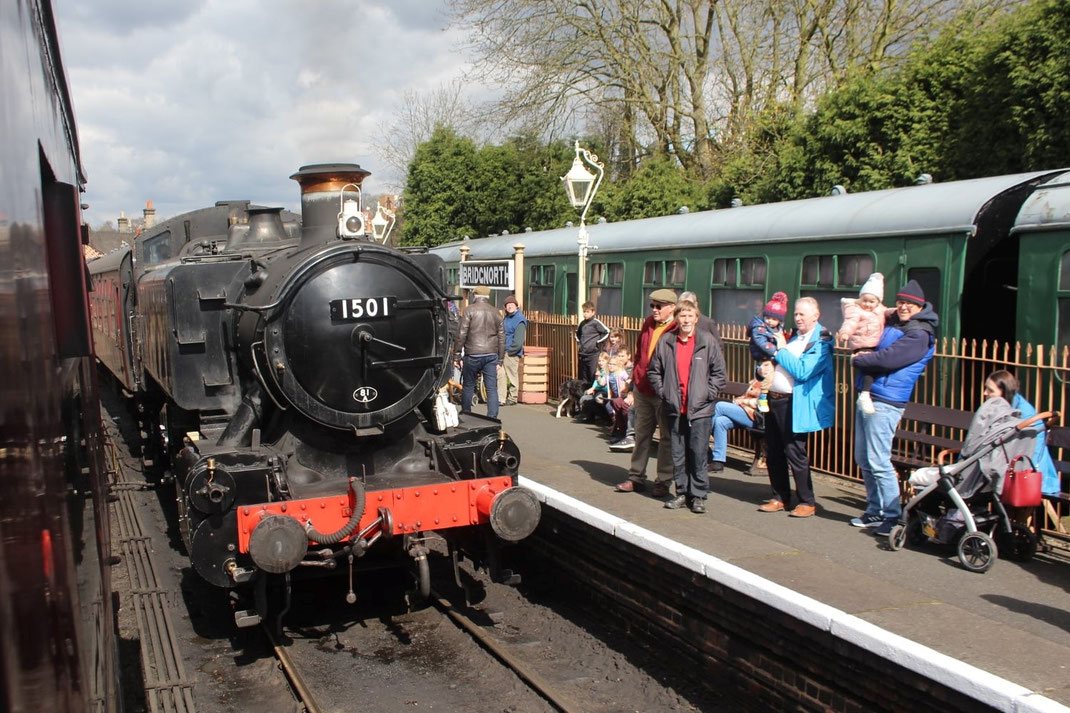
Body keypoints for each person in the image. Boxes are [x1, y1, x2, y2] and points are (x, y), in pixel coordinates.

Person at [850, 279, 939, 535]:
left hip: (887, 400)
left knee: (878, 460)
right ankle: (874, 510)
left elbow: (889, 359)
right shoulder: (896, 323)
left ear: (919, 306)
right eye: (900, 302)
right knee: (863, 457)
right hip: (871, 394)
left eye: (909, 304)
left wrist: (861, 360)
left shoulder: (920, 334)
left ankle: (892, 516)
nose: (903, 307)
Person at [756, 297, 835, 518]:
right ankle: (780, 496)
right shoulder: (794, 337)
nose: (798, 318)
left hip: (794, 403)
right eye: (796, 314)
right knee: (773, 451)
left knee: (794, 451)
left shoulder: (822, 341)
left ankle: (807, 501)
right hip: (774, 399)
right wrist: (761, 371)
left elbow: (803, 371)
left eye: (802, 314)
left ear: (815, 316)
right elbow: (776, 363)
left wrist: (780, 350)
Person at [648, 299, 727, 513]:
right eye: (682, 316)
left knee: (698, 453)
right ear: (677, 318)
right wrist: (664, 393)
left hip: (700, 409)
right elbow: (654, 371)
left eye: (690, 316)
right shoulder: (666, 341)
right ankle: (682, 492)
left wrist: (708, 394)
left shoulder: (707, 341)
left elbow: (719, 374)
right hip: (675, 408)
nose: (686, 320)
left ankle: (698, 495)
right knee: (678, 453)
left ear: (696, 318)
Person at [615, 289, 678, 496]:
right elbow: (639, 354)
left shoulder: (677, 328)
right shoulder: (649, 323)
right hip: (643, 389)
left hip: (664, 391)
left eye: (659, 306)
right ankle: (636, 477)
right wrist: (635, 381)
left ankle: (663, 481)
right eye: (652, 305)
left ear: (672, 307)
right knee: (641, 434)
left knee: (666, 438)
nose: (654, 310)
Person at [983, 370, 1059, 496]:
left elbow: (1030, 452)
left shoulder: (1024, 414)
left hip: (1029, 473)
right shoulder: (1000, 406)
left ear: (1005, 391)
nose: (985, 393)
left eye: (990, 390)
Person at [838, 273, 887, 415]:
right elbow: (850, 322)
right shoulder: (856, 311)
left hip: (875, 345)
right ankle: (865, 395)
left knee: (873, 369)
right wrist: (845, 333)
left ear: (878, 302)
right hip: (862, 345)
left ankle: (866, 393)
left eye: (872, 302)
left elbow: (889, 312)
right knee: (870, 368)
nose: (867, 304)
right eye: (865, 301)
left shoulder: (880, 311)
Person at [455, 286, 505, 419]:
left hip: (472, 354)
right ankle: (492, 417)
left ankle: (466, 414)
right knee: (491, 388)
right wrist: (500, 360)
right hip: (491, 355)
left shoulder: (469, 310)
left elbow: (461, 334)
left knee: (468, 386)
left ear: (475, 295)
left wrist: (457, 356)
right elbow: (502, 338)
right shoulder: (496, 312)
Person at [708, 378, 761, 473]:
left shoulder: (771, 382)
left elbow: (761, 403)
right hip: (745, 412)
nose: (762, 370)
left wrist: (742, 402)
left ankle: (701, 444)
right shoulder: (758, 380)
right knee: (720, 421)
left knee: (719, 406)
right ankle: (718, 462)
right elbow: (747, 396)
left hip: (757, 417)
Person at [748, 292, 788, 413]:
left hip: (771, 357)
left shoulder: (777, 329)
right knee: (768, 374)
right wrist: (775, 351)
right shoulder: (759, 328)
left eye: (774, 319)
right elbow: (761, 342)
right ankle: (763, 396)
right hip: (764, 356)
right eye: (768, 318)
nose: (770, 321)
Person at [498, 294, 526, 406]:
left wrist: (511, 351)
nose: (509, 306)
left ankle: (513, 397)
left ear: (516, 306)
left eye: (512, 304)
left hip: (511, 353)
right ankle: (501, 398)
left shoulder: (519, 319)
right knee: (501, 374)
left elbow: (519, 340)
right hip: (503, 351)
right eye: (507, 305)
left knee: (512, 375)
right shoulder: (507, 318)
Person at [575, 302, 610, 385]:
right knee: (582, 377)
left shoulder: (595, 323)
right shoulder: (582, 323)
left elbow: (607, 331)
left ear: (593, 312)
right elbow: (577, 334)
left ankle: (593, 391)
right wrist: (580, 342)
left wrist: (597, 342)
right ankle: (583, 392)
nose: (585, 314)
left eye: (587, 312)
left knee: (592, 375)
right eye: (584, 311)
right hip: (582, 354)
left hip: (592, 355)